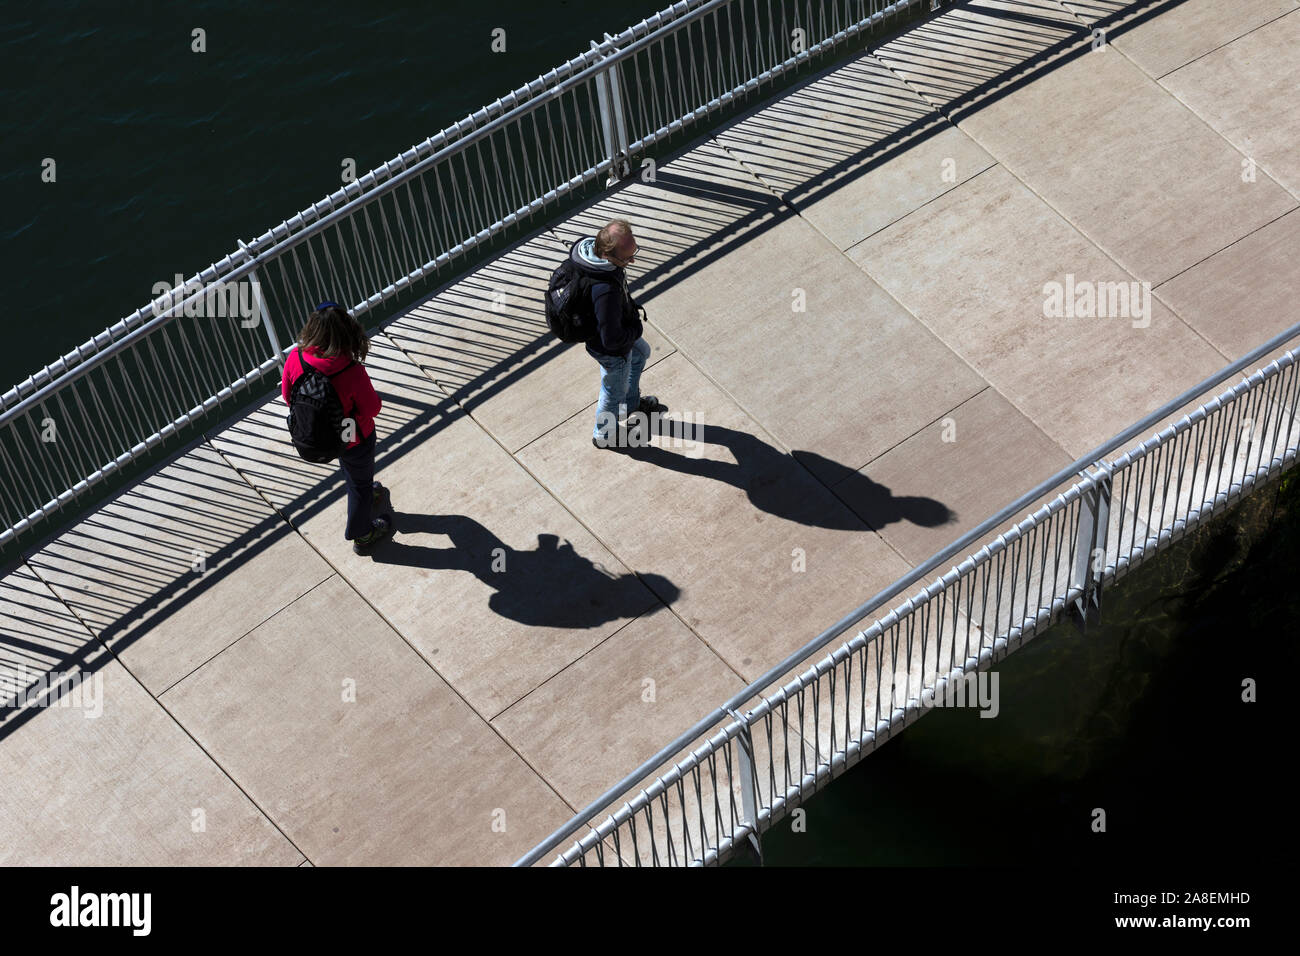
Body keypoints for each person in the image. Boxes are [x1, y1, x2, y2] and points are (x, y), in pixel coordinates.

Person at [280, 302, 393, 554]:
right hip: (352, 435)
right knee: (360, 485)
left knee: (352, 469)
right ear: (346, 332)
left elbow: (288, 397)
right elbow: (371, 410)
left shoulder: (295, 357)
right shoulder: (350, 370)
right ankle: (362, 535)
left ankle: (360, 485)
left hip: (320, 433)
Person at [569, 219, 666, 448]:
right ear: (606, 254)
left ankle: (629, 405)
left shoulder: (594, 257)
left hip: (616, 332)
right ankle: (604, 435)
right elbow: (611, 340)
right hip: (610, 349)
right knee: (612, 391)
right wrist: (635, 329)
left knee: (641, 354)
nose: (632, 261)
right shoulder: (604, 291)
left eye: (634, 252)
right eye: (626, 258)